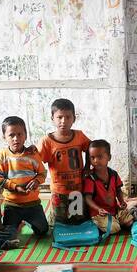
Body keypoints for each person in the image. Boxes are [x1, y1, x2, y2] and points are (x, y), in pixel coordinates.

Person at [0, 115, 49, 241]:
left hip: (32, 204)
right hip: (12, 205)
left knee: (43, 231)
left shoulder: (32, 154)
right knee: (9, 236)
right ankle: (18, 223)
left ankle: (27, 221)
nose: (16, 138)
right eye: (11, 135)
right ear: (4, 137)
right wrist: (16, 187)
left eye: (20, 134)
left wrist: (36, 181)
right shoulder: (1, 156)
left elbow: (42, 173)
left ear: (25, 135)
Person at [39, 97, 91, 227]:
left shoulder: (79, 136)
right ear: (52, 118)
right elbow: (37, 161)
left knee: (77, 220)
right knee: (59, 222)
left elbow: (91, 149)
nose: (64, 121)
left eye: (68, 117)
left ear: (74, 118)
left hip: (77, 188)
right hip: (59, 190)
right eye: (60, 117)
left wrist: (87, 167)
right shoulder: (47, 141)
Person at [82, 139, 133, 234]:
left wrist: (121, 201)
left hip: (114, 209)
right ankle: (98, 223)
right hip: (99, 214)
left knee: (129, 221)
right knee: (114, 228)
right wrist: (98, 209)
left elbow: (118, 190)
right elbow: (87, 199)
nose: (96, 161)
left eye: (100, 157)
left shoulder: (113, 174)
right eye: (92, 158)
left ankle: (116, 219)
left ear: (109, 157)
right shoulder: (90, 178)